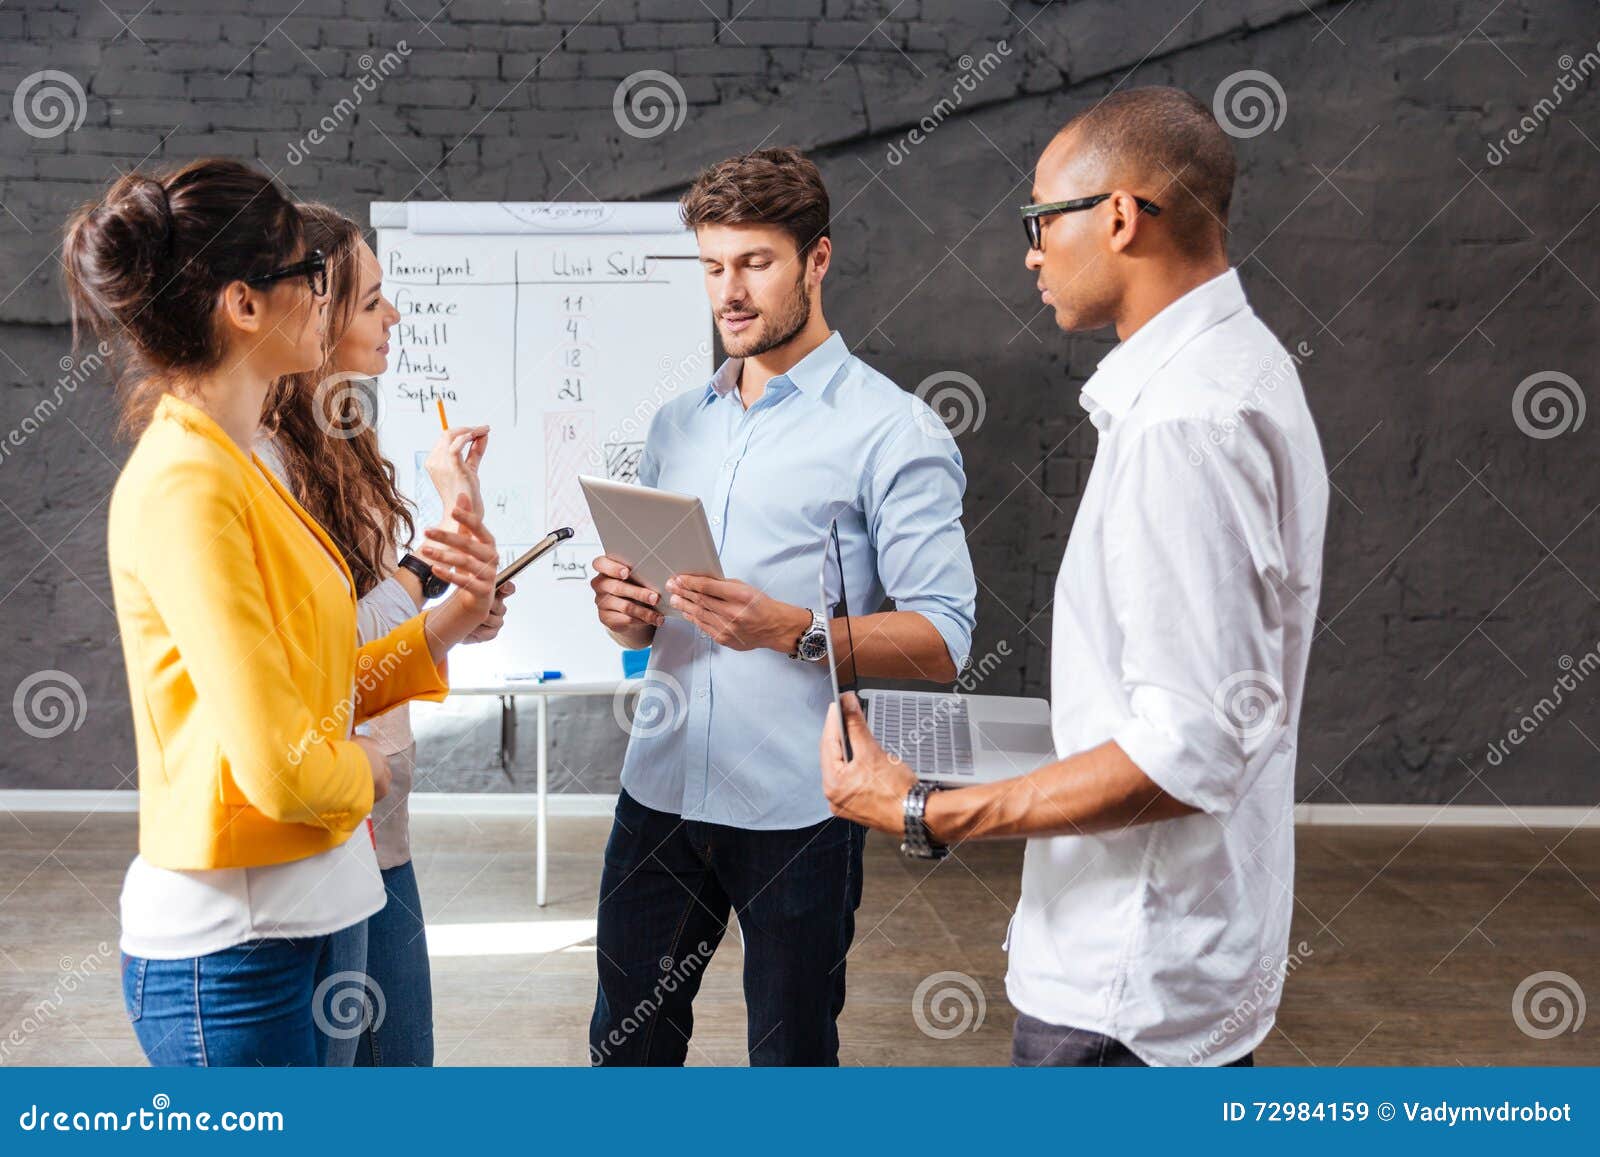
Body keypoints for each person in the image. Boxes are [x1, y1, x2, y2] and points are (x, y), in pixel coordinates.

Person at [821, 87, 1330, 1067]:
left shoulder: (1184, 423)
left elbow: (1184, 751)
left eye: (1038, 219)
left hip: (1123, 989)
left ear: (1119, 216)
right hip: (1182, 955)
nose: (1028, 250)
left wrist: (924, 808)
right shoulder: (1245, 368)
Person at [68, 159, 503, 1067]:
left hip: (305, 913)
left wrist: (443, 624)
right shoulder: (189, 482)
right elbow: (280, 766)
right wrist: (370, 779)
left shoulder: (240, 467)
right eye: (310, 275)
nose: (326, 292)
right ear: (244, 305)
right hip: (232, 949)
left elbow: (322, 679)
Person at [586, 147, 977, 1066]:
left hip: (803, 810)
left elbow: (945, 639)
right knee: (624, 1052)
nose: (730, 291)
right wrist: (627, 615)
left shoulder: (894, 429)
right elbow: (650, 627)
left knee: (791, 1061)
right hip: (661, 790)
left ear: (818, 260)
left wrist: (791, 628)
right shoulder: (677, 422)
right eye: (714, 267)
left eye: (755, 263)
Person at [258, 203, 513, 1067]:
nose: (392, 317)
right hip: (329, 819)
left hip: (381, 818)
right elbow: (331, 651)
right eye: (372, 302)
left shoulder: (345, 441)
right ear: (318, 309)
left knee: (402, 1073)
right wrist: (431, 582)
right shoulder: (266, 463)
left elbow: (373, 633)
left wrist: (456, 614)